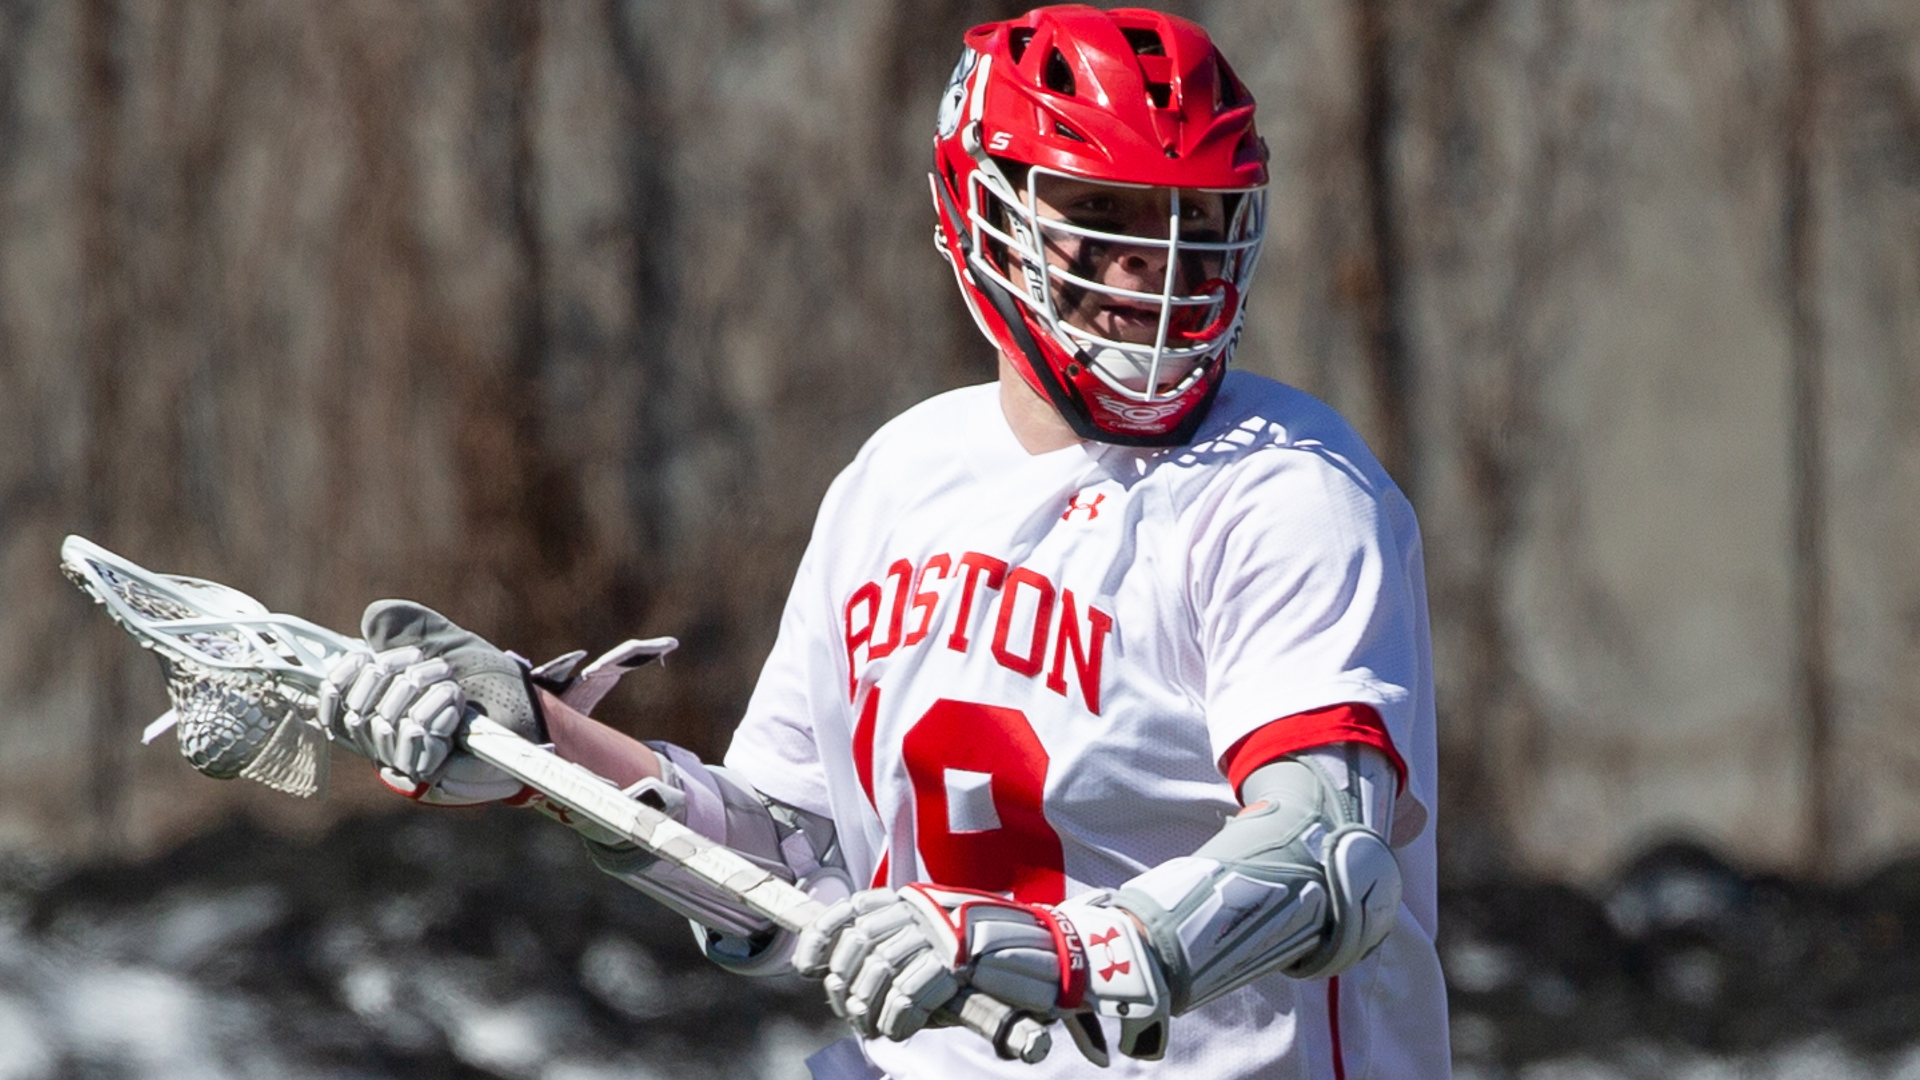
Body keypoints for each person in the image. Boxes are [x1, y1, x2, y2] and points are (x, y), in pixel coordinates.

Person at [319, 6, 1451, 1077]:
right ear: (984, 213)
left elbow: (1322, 860)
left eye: (1189, 228)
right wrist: (543, 751)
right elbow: (784, 863)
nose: (1149, 279)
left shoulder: (1288, 488)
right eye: (1101, 226)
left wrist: (1058, 953)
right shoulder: (899, 475)